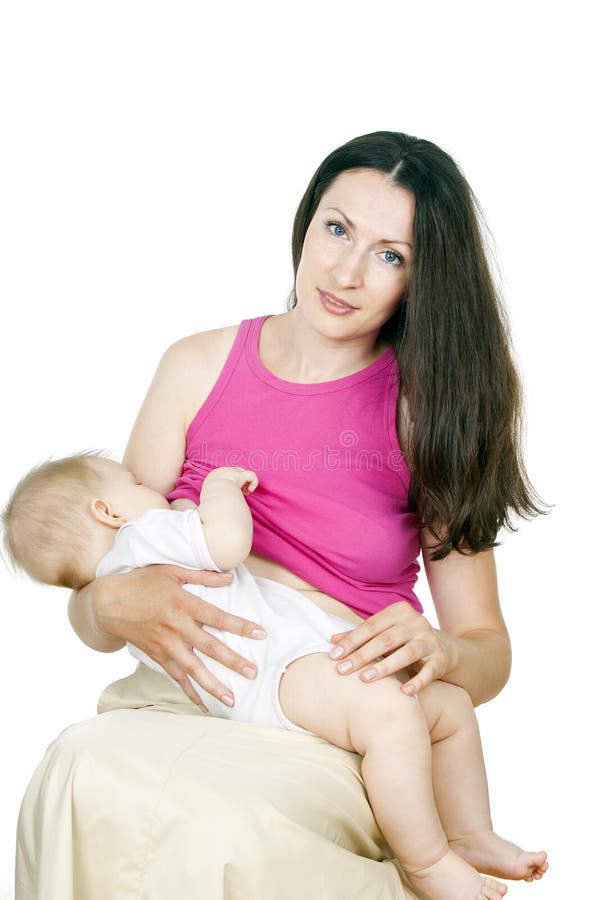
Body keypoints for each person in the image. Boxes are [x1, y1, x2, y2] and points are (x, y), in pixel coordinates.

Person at [13, 131, 546, 900]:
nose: (346, 271)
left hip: (329, 700)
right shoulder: (195, 364)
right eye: (337, 229)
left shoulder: (434, 415)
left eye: (391, 255)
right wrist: (103, 604)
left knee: (220, 825)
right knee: (80, 765)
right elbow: (107, 566)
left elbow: (488, 651)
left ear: (420, 280)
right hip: (186, 685)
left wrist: (438, 650)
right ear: (306, 222)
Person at [3, 454, 548, 900]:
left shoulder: (125, 563)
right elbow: (227, 544)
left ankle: (470, 832)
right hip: (275, 675)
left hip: (286, 660)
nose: (148, 483)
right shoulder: (142, 540)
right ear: (107, 510)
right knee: (390, 716)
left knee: (449, 708)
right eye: (132, 482)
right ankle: (428, 862)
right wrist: (220, 489)